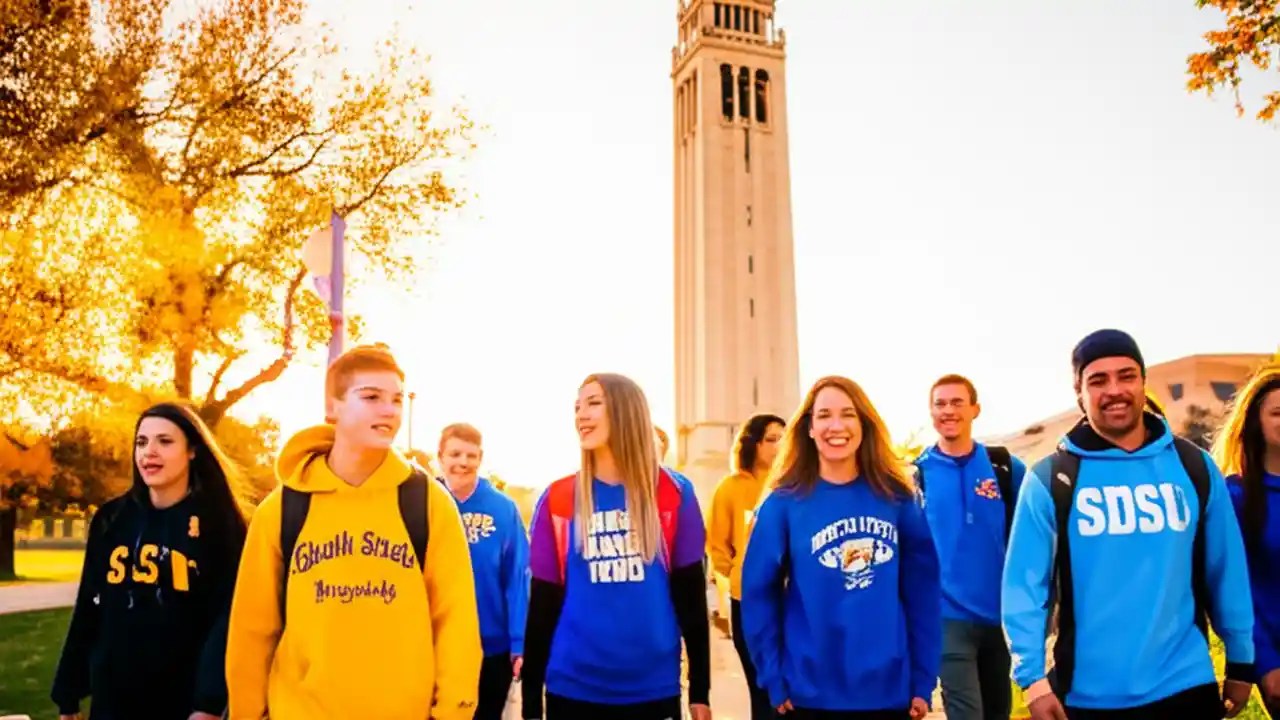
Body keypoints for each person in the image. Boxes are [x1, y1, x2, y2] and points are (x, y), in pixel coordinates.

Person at [1002, 329, 1255, 720]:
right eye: (1098, 380)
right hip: (1086, 696)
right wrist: (1032, 680)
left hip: (1185, 685)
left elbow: (1226, 570)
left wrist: (1241, 659)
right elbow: (1024, 587)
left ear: (1142, 382)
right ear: (1079, 394)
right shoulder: (1052, 478)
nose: (1114, 389)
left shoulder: (1193, 468)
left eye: (1126, 375)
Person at [224, 344, 482, 719]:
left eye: (396, 399)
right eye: (372, 397)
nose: (389, 410)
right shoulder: (284, 508)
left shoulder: (427, 502)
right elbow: (252, 628)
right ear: (333, 406)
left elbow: (456, 621)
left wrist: (453, 712)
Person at [741, 375, 941, 720]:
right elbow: (758, 594)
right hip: (808, 696)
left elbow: (922, 592)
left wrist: (923, 679)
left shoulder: (897, 498)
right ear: (809, 428)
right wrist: (772, 676)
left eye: (848, 414)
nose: (837, 425)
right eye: (824, 415)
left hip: (888, 694)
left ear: (863, 423)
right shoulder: (783, 503)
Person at [522, 373, 711, 720]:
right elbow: (542, 605)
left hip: (653, 689)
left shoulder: (673, 494)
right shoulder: (559, 498)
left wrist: (700, 689)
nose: (581, 414)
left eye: (593, 403)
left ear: (626, 410)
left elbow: (691, 597)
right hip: (573, 688)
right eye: (577, 406)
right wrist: (531, 700)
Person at [50, 402, 248, 720]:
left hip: (181, 701)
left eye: (164, 441)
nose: (149, 452)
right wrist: (68, 693)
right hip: (113, 698)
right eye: (141, 442)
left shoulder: (220, 523)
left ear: (192, 450)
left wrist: (208, 703)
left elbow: (227, 621)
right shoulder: (112, 519)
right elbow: (89, 606)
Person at [913, 374, 1026, 720]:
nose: (948, 411)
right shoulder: (916, 475)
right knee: (966, 713)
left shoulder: (1005, 467)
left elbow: (1031, 538)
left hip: (999, 619)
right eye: (940, 404)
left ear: (975, 409)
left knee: (997, 712)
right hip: (946, 619)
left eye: (957, 402)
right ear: (931, 412)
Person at [438, 422, 530, 720]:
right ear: (440, 457)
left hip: (492, 646)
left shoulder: (502, 509)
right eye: (455, 454)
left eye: (470, 455)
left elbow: (518, 578)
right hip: (438, 646)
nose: (463, 462)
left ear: (480, 458)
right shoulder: (426, 502)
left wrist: (519, 642)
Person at [707, 412, 785, 720]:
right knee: (761, 685)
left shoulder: (791, 484)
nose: (779, 446)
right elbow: (716, 542)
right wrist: (738, 571)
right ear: (753, 444)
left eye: (784, 438)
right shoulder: (731, 488)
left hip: (791, 599)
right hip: (748, 600)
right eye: (771, 439)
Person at [1215, 364, 1280, 714]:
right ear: (1256, 423)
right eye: (1278, 412)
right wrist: (1266, 664)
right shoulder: (1236, 497)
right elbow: (1237, 590)